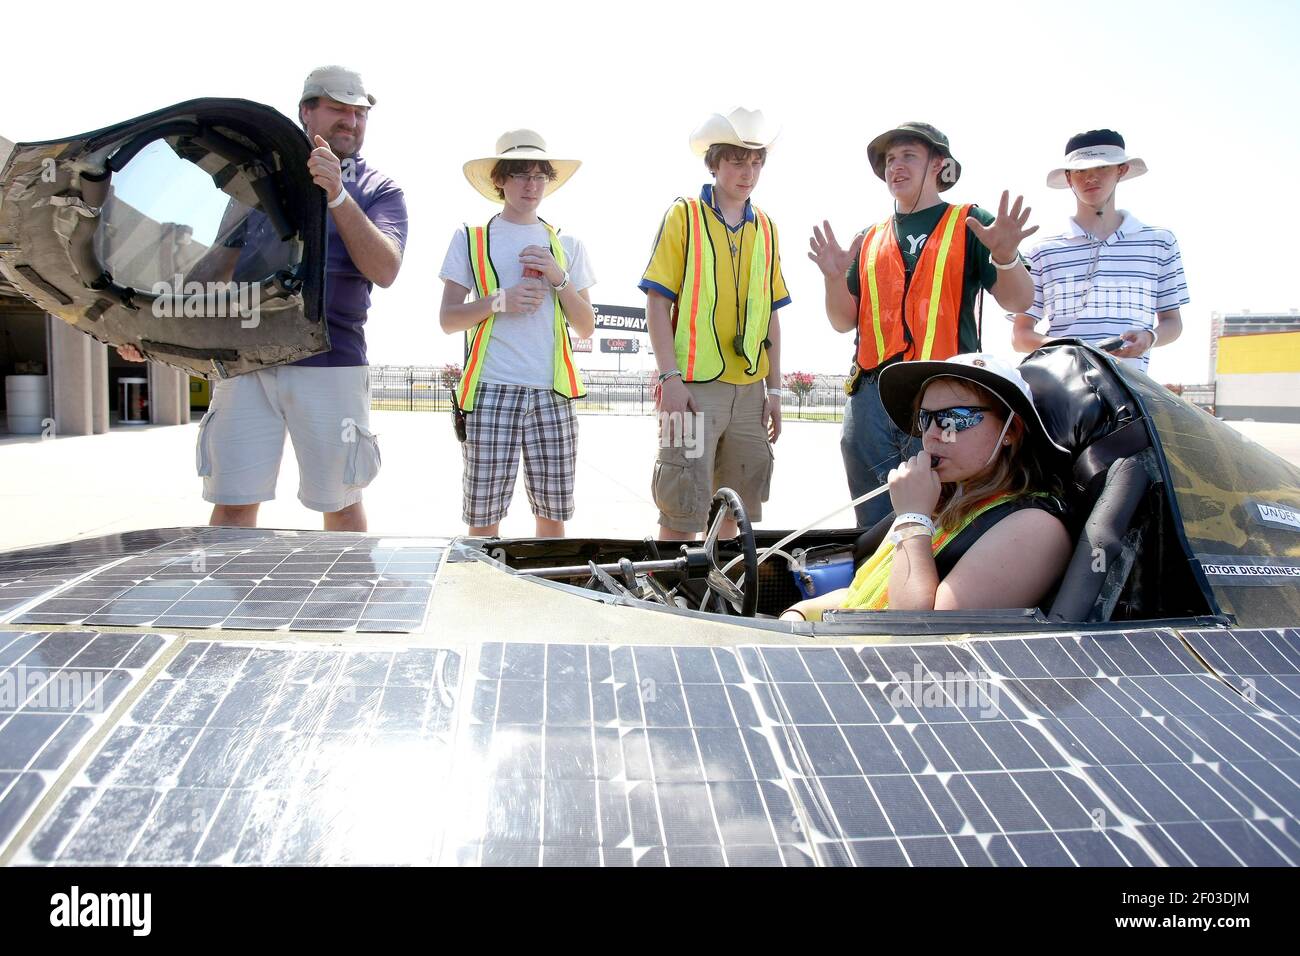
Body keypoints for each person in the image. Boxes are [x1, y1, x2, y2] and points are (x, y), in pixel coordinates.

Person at [118, 65, 408, 532]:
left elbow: (386, 269)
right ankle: (225, 602)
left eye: (359, 113)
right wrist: (148, 329)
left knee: (339, 502)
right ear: (306, 112)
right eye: (339, 110)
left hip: (331, 363)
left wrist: (336, 195)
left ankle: (347, 605)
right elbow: (213, 270)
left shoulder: (379, 189)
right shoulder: (256, 186)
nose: (351, 122)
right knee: (233, 502)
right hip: (246, 360)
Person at [808, 122, 1037, 529]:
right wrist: (832, 279)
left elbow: (1019, 300)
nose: (895, 166)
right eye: (889, 160)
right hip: (871, 397)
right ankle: (874, 587)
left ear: (939, 165)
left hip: (945, 392)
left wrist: (1005, 257)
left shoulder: (968, 222)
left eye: (908, 156)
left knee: (941, 516)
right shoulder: (869, 238)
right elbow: (842, 321)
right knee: (872, 522)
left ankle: (930, 587)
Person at [781, 353, 1072, 620]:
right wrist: (801, 614)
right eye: (926, 418)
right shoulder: (941, 501)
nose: (931, 435)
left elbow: (918, 631)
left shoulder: (1034, 528)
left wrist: (912, 520)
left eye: (953, 419)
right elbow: (867, 593)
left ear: (1010, 430)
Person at [641, 108, 792, 541]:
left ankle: (719, 595)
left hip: (750, 392)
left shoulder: (767, 227)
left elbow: (771, 318)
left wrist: (775, 391)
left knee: (737, 504)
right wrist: (669, 378)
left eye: (756, 161)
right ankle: (672, 599)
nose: (748, 172)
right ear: (714, 163)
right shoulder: (683, 215)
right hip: (691, 389)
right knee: (681, 503)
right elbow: (656, 302)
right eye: (737, 160)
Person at [438, 130, 596, 537]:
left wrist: (558, 278)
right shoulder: (471, 239)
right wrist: (498, 301)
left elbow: (586, 326)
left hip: (553, 391)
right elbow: (448, 319)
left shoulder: (566, 243)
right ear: (500, 181)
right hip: (491, 389)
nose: (531, 185)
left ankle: (546, 594)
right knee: (483, 519)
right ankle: (482, 597)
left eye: (539, 175)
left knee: (553, 516)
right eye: (520, 174)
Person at [1010, 129, 1187, 370]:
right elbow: (1020, 336)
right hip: (1060, 392)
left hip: (1131, 393)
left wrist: (1149, 337)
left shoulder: (1160, 242)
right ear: (1069, 178)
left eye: (1103, 167)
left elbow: (1172, 323)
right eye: (1081, 171)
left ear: (1121, 170)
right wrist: (1072, 349)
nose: (1090, 178)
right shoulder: (1043, 251)